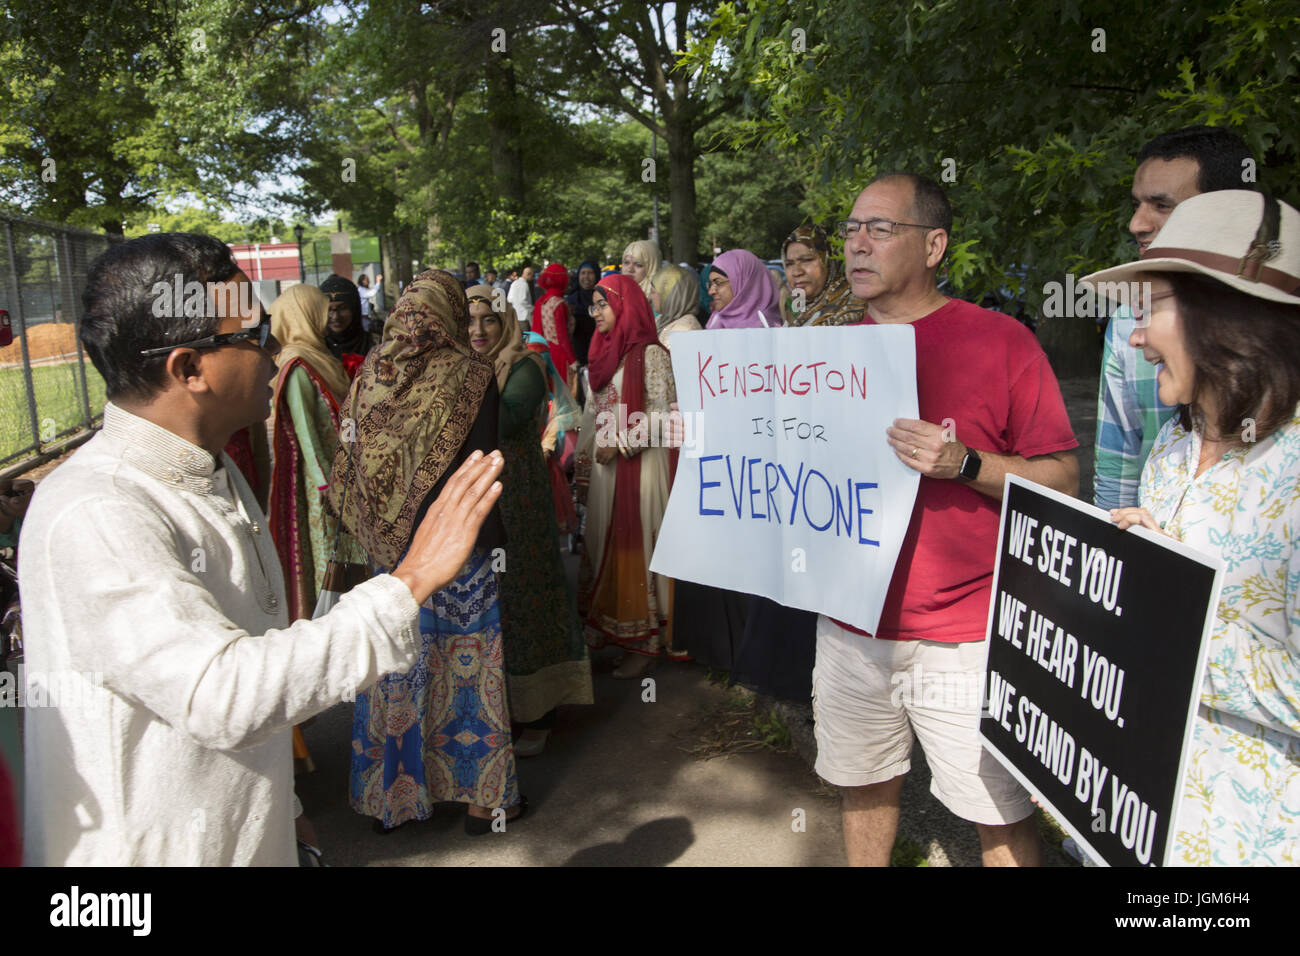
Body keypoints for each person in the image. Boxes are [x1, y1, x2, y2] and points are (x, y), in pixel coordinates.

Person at [18, 233, 504, 865]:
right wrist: (407, 582)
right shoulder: (97, 511)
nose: (277, 347)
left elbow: (244, 647)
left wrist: (285, 809)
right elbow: (220, 693)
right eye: (252, 334)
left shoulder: (206, 467)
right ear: (188, 368)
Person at [821, 173, 1078, 867]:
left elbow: (1062, 479)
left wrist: (966, 463)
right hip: (849, 627)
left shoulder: (1002, 342)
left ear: (933, 245)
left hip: (963, 635)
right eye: (849, 229)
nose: (857, 245)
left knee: (996, 811)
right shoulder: (820, 354)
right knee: (863, 786)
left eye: (879, 229)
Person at [1085, 190, 1300, 866]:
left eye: (1152, 312)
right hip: (1147, 822)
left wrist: (1168, 640)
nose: (1137, 336)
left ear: (1227, 315)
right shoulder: (1171, 452)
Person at [334, 270, 523, 835]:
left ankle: (392, 799)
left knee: (394, 664)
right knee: (467, 668)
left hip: (391, 559)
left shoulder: (369, 377)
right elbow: (484, 465)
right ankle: (480, 800)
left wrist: (379, 528)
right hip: (459, 550)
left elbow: (347, 460)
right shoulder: (470, 375)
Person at [1094, 126, 1255, 510]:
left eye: (1162, 205)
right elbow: (1119, 467)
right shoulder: (1123, 324)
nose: (1138, 223)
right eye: (1137, 204)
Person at [467, 285, 592, 756]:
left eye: (489, 320)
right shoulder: (467, 366)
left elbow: (501, 421)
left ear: (507, 324)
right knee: (491, 601)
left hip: (517, 499)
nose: (479, 330)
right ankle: (502, 710)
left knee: (525, 594)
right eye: (471, 320)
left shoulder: (525, 366)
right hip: (480, 496)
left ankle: (540, 714)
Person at [575, 274, 677, 679]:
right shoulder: (602, 353)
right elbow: (589, 414)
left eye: (603, 305)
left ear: (625, 306)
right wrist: (584, 468)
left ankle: (648, 644)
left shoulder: (650, 355)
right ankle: (621, 634)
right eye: (593, 306)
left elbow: (667, 414)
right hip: (605, 470)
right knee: (607, 548)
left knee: (640, 552)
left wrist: (619, 442)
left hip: (640, 467)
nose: (596, 313)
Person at [779, 223, 866, 327]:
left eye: (807, 260)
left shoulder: (853, 305)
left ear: (829, 261)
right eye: (789, 264)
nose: (797, 272)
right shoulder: (795, 306)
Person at [705, 248, 781, 328]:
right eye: (710, 284)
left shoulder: (766, 327)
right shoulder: (717, 319)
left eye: (718, 283)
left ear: (744, 284)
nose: (711, 292)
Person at [319, 273, 376, 377]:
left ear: (354, 308)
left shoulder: (376, 345)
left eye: (342, 308)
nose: (335, 317)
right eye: (329, 310)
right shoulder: (316, 350)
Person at [533, 262, 578, 386]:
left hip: (545, 352)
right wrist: (573, 361)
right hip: (560, 355)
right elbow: (562, 337)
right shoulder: (559, 304)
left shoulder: (541, 302)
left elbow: (536, 331)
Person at [649, 263, 703, 350]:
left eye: (653, 292)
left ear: (671, 295)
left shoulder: (685, 331)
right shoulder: (661, 319)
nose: (651, 297)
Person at [508, 265, 535, 332]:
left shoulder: (514, 283)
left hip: (516, 315)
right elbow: (522, 300)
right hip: (524, 316)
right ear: (528, 274)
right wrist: (532, 308)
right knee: (526, 338)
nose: (533, 277)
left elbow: (509, 299)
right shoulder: (524, 284)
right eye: (532, 275)